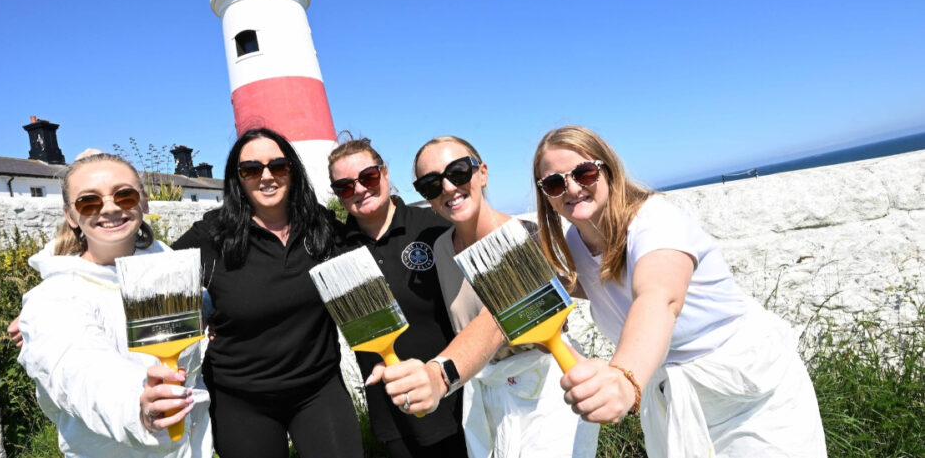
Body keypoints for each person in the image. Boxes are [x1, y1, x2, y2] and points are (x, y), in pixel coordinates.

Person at [532, 125, 826, 457]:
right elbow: (597, 284)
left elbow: (659, 298)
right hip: (675, 406)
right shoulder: (577, 243)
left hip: (749, 397)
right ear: (546, 196)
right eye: (555, 183)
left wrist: (624, 377)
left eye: (584, 173)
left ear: (608, 171)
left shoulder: (655, 221)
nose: (571, 188)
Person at [380, 136, 599, 458]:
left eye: (457, 172)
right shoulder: (441, 248)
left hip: (547, 390)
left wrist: (440, 375)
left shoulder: (527, 236)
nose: (448, 188)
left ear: (482, 172)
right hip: (485, 393)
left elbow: (497, 322)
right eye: (431, 184)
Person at [171, 128, 363, 458]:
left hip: (319, 388)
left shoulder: (321, 225)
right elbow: (151, 278)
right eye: (251, 169)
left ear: (293, 170)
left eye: (278, 166)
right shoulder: (211, 236)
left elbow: (373, 246)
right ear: (236, 178)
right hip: (240, 398)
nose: (266, 176)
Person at [17, 151, 212, 458]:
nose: (109, 207)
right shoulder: (54, 298)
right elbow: (80, 370)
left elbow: (198, 320)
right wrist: (137, 405)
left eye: (124, 194)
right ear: (71, 215)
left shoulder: (167, 269)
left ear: (143, 202)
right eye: (89, 201)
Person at [327, 136, 468, 458]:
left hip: (456, 397)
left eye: (368, 177)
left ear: (385, 173)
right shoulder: (333, 250)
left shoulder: (434, 227)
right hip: (392, 414)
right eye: (345, 187)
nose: (360, 189)